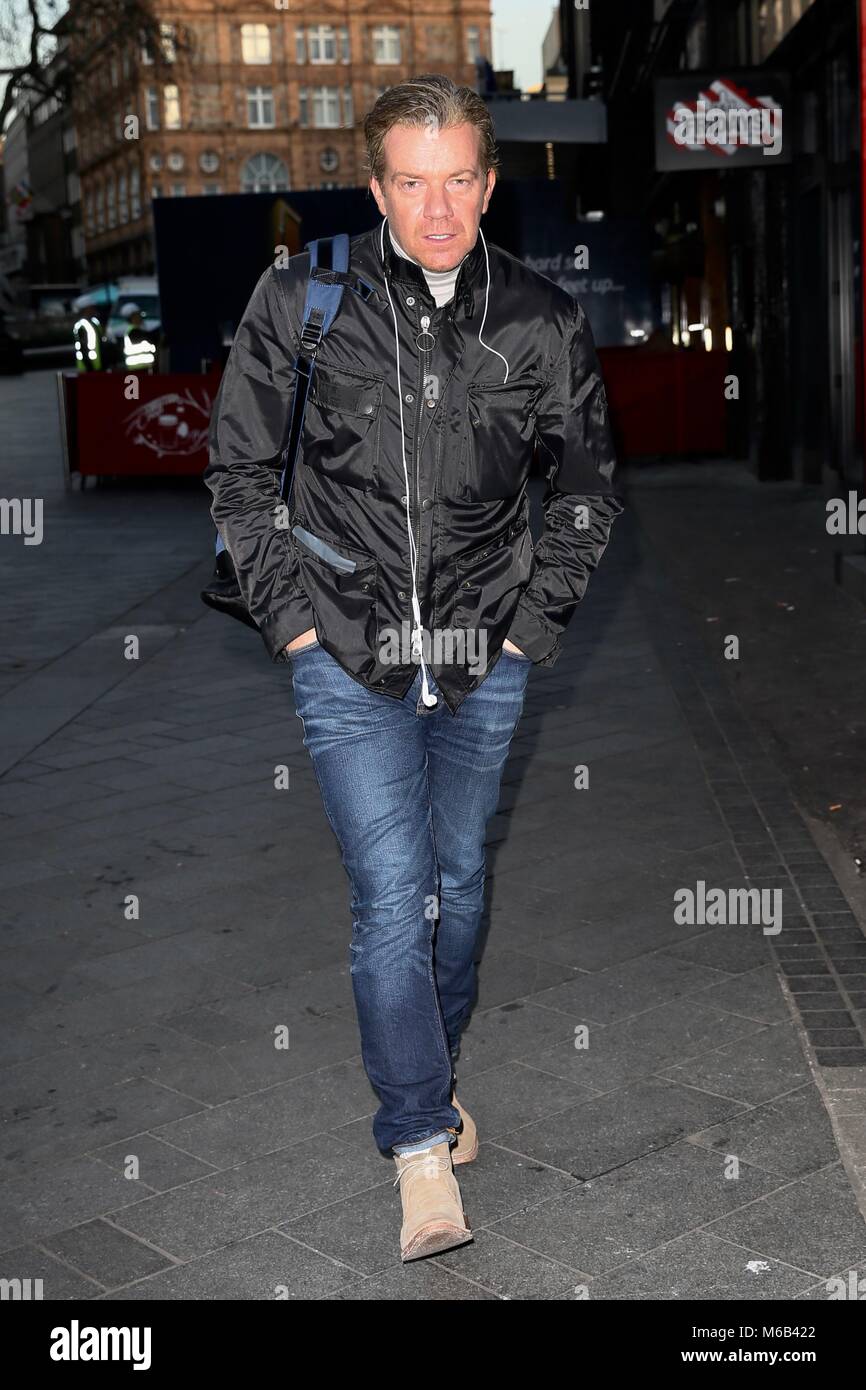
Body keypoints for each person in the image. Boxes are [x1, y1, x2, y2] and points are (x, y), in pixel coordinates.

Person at [204, 73, 624, 1263]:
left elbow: (587, 492)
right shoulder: (305, 297)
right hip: (343, 648)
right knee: (391, 899)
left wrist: (527, 629)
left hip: (482, 656)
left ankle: (427, 1085)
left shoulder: (537, 317)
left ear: (488, 183)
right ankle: (416, 1146)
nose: (435, 209)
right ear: (375, 184)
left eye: (457, 181)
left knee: (460, 892)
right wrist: (292, 625)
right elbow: (240, 474)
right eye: (409, 182)